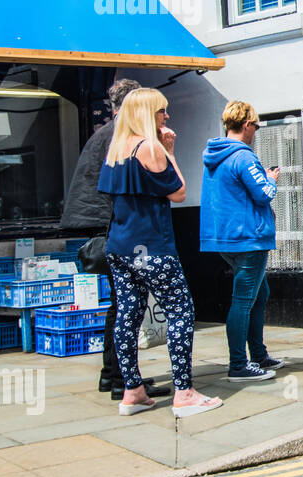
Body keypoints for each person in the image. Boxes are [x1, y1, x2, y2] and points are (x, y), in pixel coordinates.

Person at [99, 89, 221, 417]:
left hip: (120, 247)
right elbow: (179, 192)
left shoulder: (116, 149)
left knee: (127, 315)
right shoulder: (148, 147)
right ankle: (184, 393)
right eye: (161, 111)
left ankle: (132, 391)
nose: (166, 117)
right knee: (181, 310)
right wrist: (170, 151)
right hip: (152, 246)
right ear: (145, 114)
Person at [60, 78, 170, 402]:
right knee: (127, 306)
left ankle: (112, 375)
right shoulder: (123, 135)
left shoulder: (107, 132)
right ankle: (124, 380)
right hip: (112, 227)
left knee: (119, 305)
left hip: (99, 224)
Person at [200, 100, 282, 381]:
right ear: (247, 125)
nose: (256, 131)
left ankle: (258, 355)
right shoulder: (243, 157)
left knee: (260, 294)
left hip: (225, 238)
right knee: (244, 301)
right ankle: (239, 364)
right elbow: (263, 194)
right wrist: (271, 179)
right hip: (250, 238)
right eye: (256, 126)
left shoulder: (214, 155)